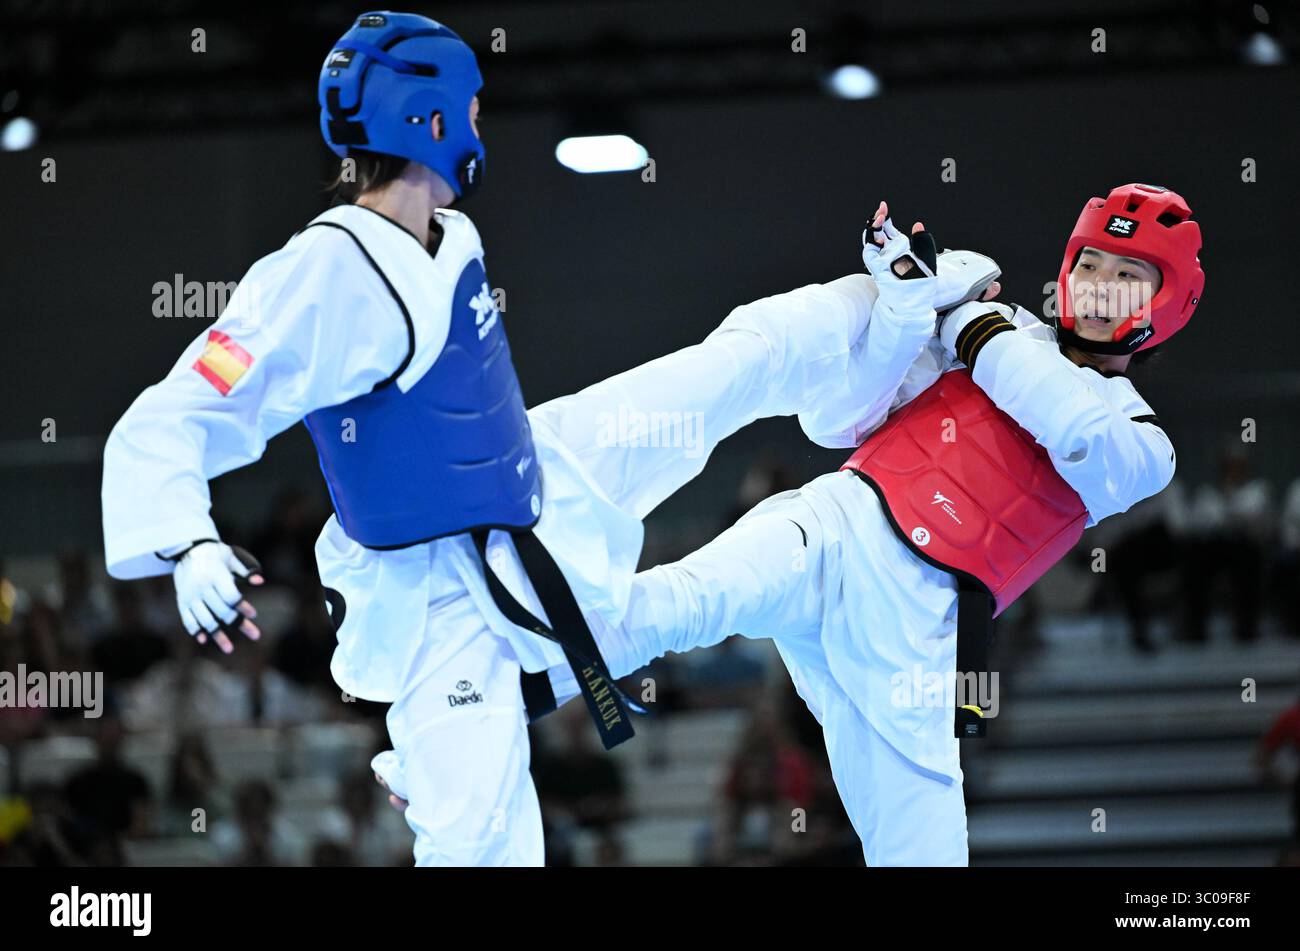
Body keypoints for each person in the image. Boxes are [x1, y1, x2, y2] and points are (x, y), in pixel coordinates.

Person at [100, 10, 1001, 865]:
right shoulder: (322, 271)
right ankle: (429, 753)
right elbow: (182, 405)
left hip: (539, 470)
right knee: (483, 848)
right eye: (474, 107)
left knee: (739, 361)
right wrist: (185, 542)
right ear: (432, 118)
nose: (482, 123)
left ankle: (909, 298)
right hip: (439, 598)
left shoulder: (447, 233)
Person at [588, 183, 1205, 866]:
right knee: (686, 598)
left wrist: (972, 323)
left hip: (917, 629)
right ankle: (529, 669)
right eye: (1090, 264)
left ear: (1166, 303)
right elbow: (836, 421)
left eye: (1127, 275)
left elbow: (1076, 431)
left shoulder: (1143, 442)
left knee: (923, 855)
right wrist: (905, 306)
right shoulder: (987, 319)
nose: (1099, 286)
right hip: (838, 519)